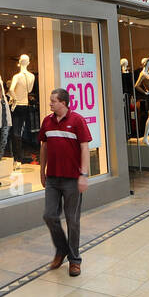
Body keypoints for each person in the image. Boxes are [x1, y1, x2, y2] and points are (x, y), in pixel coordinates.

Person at [39, 88, 91, 277]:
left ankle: (74, 261)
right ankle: (62, 249)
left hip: (72, 180)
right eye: (51, 101)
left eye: (53, 101)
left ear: (64, 103)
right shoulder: (47, 121)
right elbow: (44, 147)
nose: (50, 104)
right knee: (49, 215)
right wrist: (41, 171)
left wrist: (84, 175)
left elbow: (85, 148)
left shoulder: (77, 120)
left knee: (72, 220)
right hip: (53, 178)